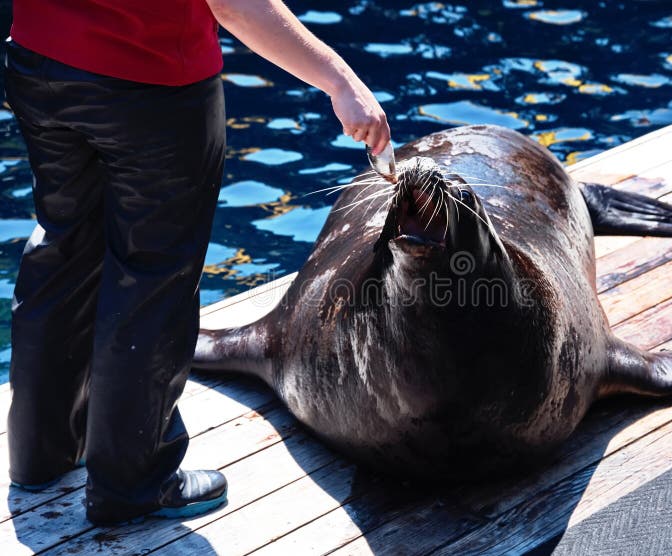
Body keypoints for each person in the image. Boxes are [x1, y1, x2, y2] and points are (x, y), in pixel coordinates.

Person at [4, 0, 390, 524]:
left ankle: (39, 453)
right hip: (150, 81)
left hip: (38, 61)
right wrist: (340, 82)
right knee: (152, 279)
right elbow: (236, 6)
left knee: (63, 247)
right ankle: (133, 481)